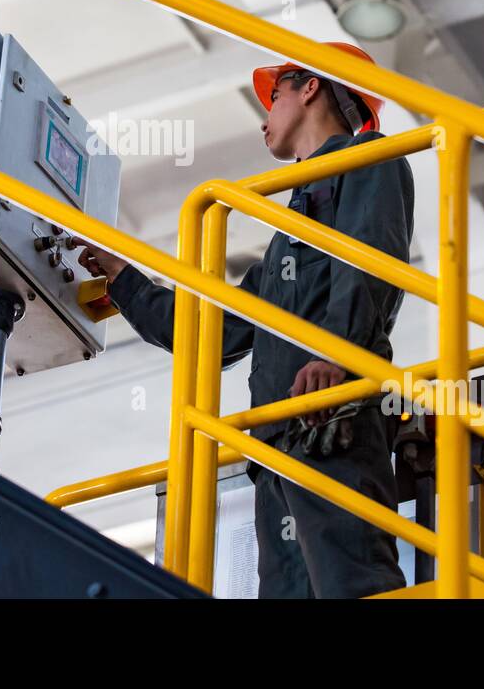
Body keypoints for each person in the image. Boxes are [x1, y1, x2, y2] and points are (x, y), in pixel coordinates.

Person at [75, 43, 413, 598]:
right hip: (274, 447)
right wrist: (124, 279)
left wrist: (337, 356)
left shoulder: (368, 159)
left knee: (353, 585)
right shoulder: (288, 237)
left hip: (334, 425)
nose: (265, 117)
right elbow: (213, 332)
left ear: (310, 88)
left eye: (274, 94)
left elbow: (371, 262)